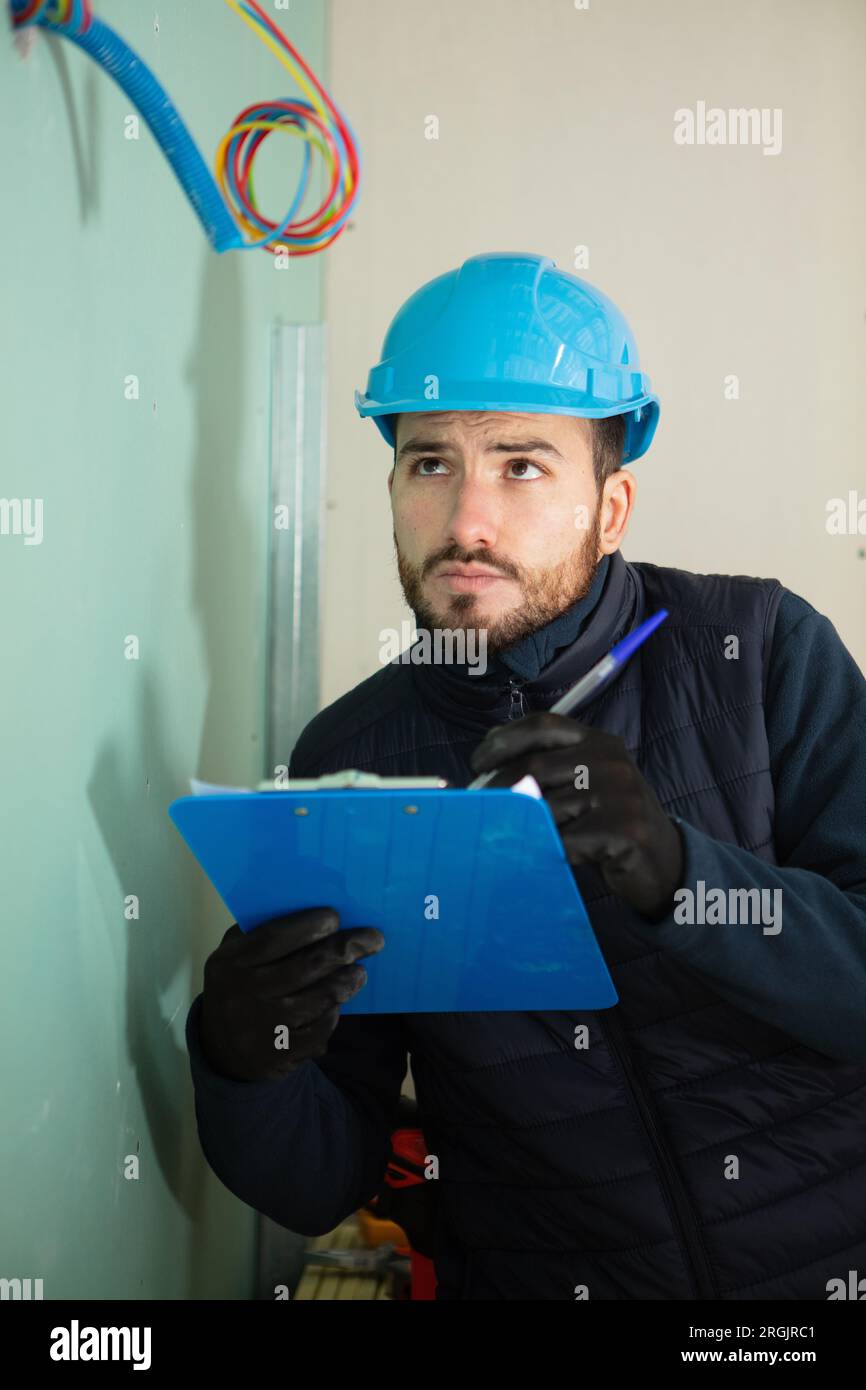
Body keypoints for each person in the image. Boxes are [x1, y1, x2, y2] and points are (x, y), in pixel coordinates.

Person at [185, 252, 866, 1300]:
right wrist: (242, 1061)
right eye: (428, 464)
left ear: (611, 504)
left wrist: (677, 871)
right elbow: (327, 1178)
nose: (465, 521)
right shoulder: (345, 756)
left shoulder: (761, 649)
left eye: (520, 464)